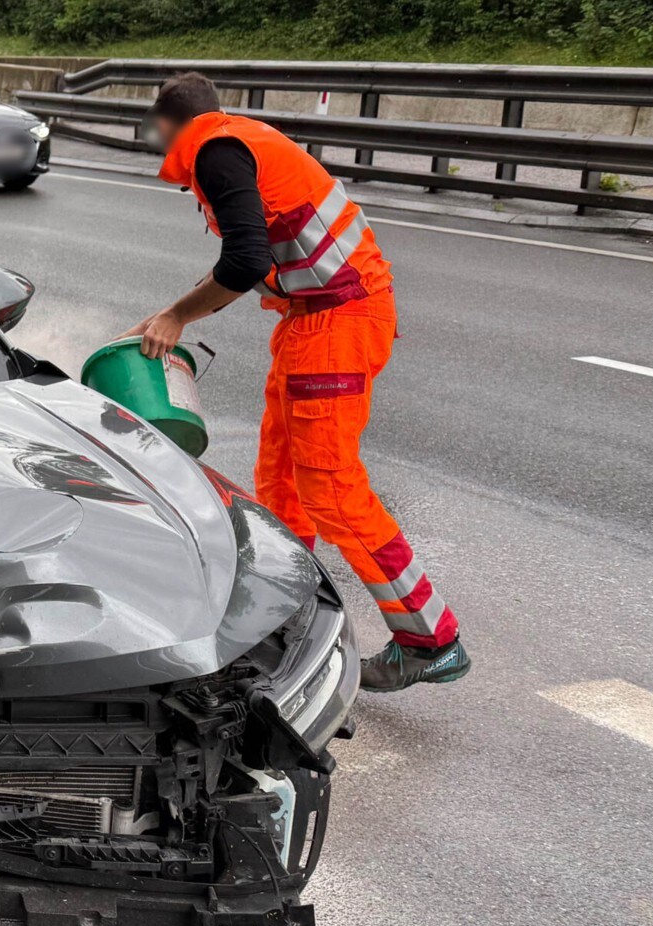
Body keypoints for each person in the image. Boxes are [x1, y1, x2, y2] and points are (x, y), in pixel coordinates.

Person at [125, 72, 469, 692]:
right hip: (310, 321)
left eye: (158, 132)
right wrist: (169, 314)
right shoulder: (236, 142)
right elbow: (254, 254)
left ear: (171, 123)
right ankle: (290, 612)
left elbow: (245, 261)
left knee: (331, 489)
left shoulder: (215, 151)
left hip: (340, 320)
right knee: (281, 479)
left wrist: (177, 316)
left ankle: (430, 639)